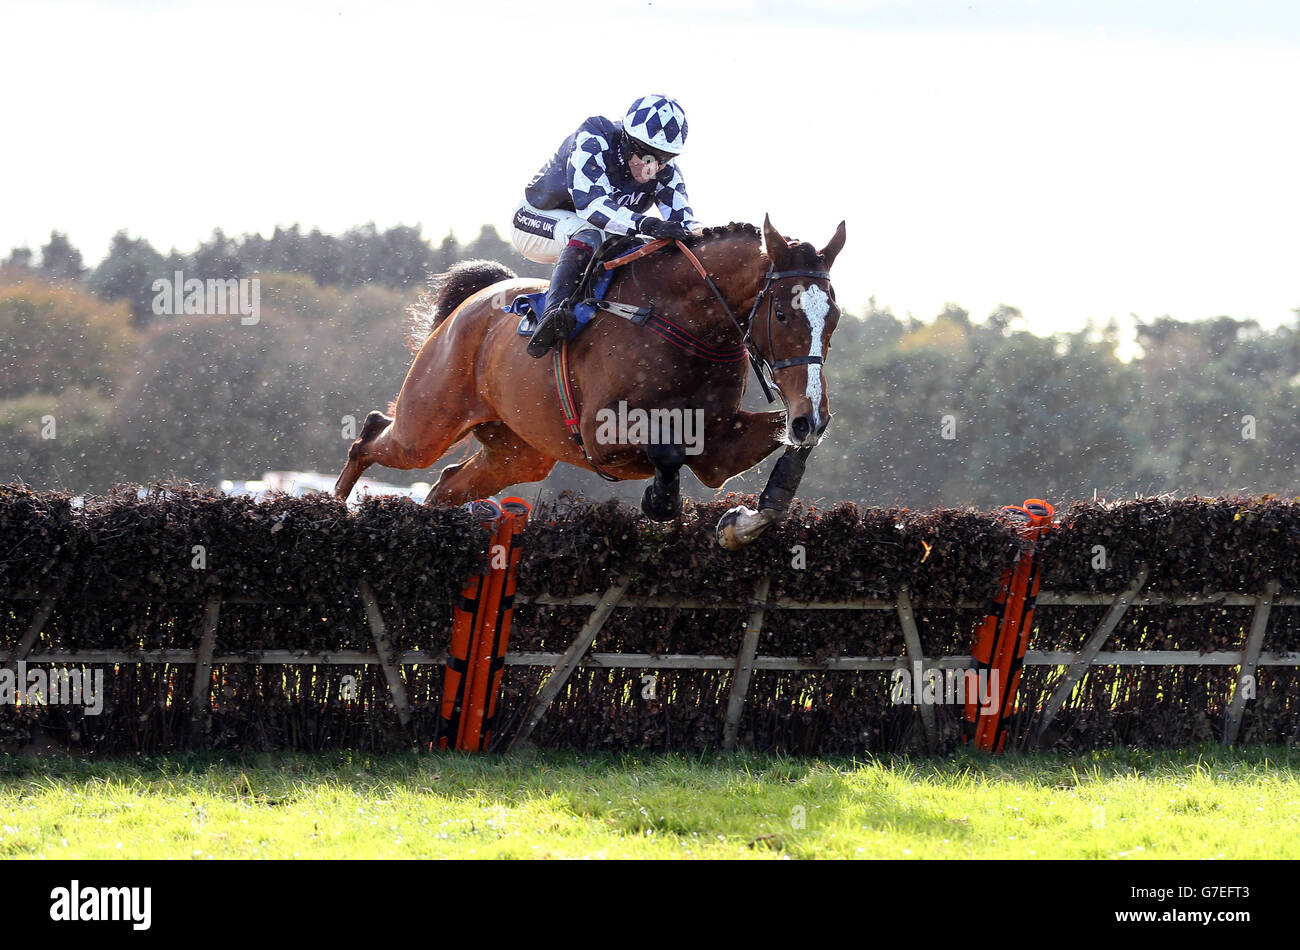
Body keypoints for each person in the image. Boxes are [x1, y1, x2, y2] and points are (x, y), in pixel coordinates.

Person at [511, 95, 701, 358]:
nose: (653, 167)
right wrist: (646, 223)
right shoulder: (594, 136)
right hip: (533, 219)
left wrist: (717, 238)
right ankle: (551, 316)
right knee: (590, 234)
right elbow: (591, 205)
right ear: (626, 139)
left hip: (585, 232)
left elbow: (686, 223)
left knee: (636, 247)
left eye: (665, 157)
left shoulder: (665, 172)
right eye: (647, 154)